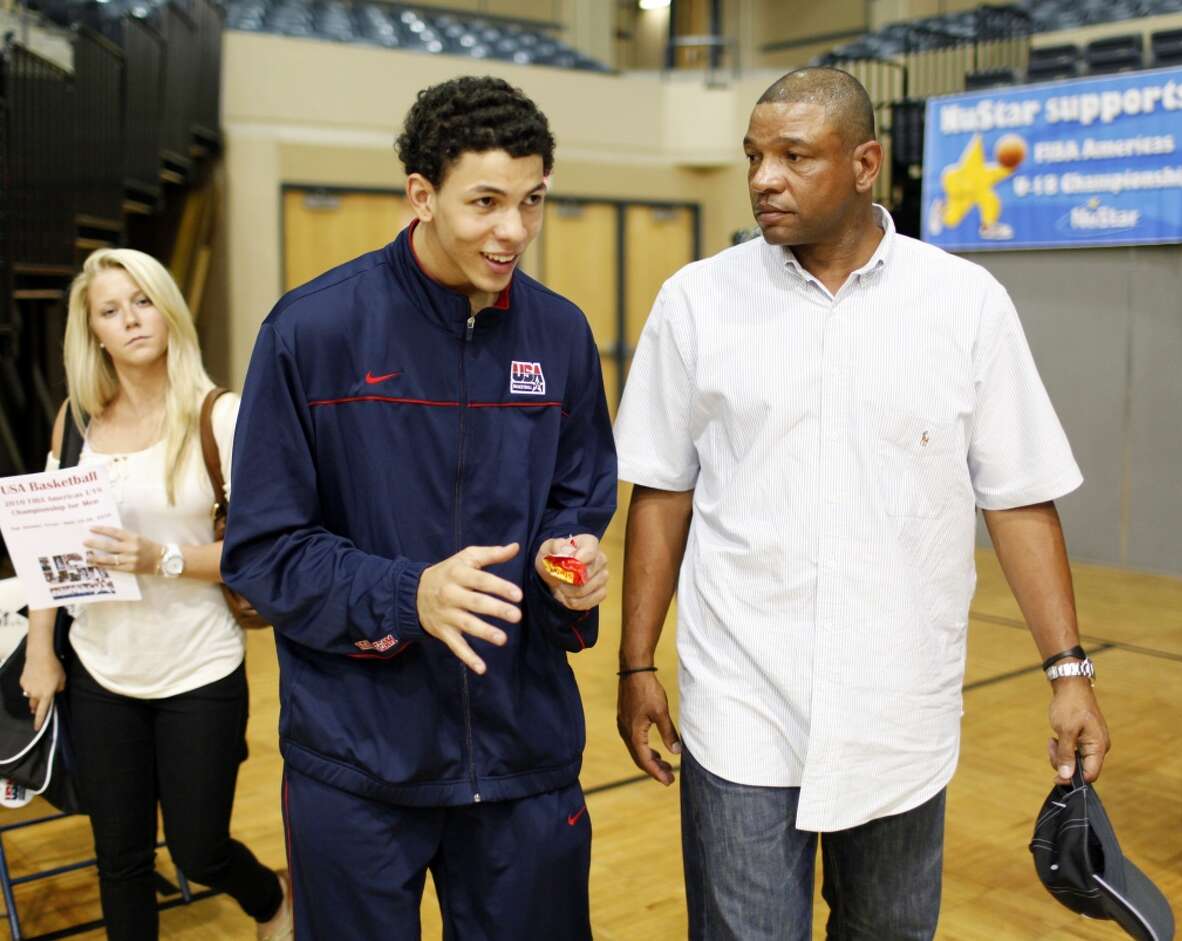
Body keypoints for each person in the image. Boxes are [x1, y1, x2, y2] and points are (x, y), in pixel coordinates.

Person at [614, 67, 1111, 940]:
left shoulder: (964, 303)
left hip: (899, 710)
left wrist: (1069, 672)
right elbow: (663, 489)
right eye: (754, 156)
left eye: (794, 156)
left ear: (866, 163)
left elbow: (1018, 498)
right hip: (741, 701)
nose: (764, 178)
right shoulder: (696, 301)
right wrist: (635, 663)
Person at [221, 76, 617, 941]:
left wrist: (572, 567)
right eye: (485, 202)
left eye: (532, 200)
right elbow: (264, 551)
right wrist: (410, 595)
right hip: (356, 764)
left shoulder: (560, 335)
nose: (513, 229)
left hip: (523, 755)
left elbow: (578, 502)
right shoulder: (311, 332)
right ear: (421, 194)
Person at [18, 248, 292, 941]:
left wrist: (159, 558)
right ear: (94, 332)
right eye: (111, 310)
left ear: (168, 308)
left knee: (200, 849)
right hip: (101, 667)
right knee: (121, 859)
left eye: (142, 301)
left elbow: (258, 547)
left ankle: (272, 899)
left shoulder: (219, 416)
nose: (131, 319)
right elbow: (50, 546)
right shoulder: (76, 422)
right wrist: (42, 650)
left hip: (200, 665)